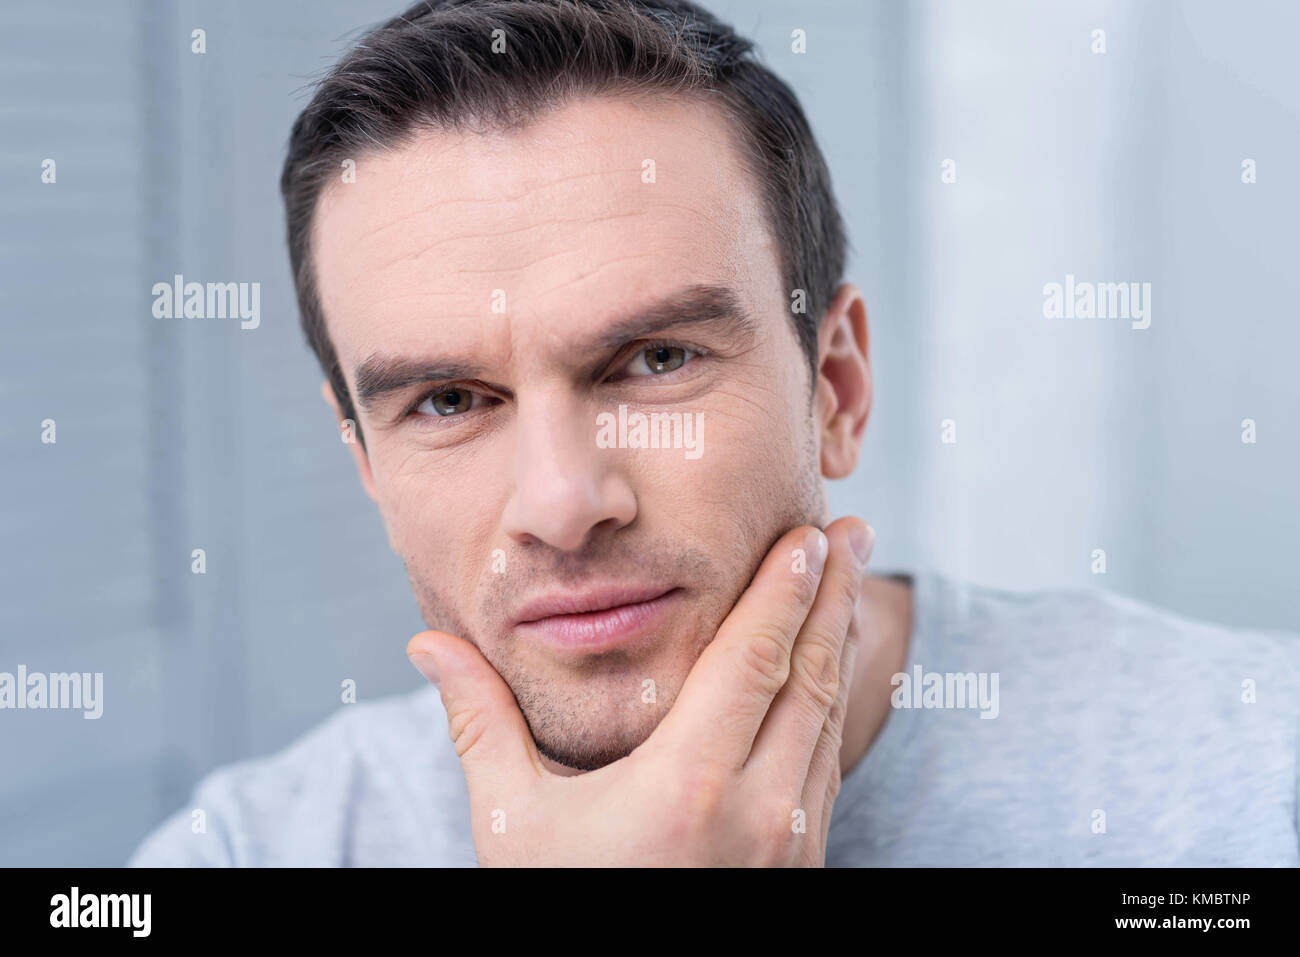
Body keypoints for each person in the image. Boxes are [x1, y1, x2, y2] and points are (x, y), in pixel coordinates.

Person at [129, 0, 1299, 867]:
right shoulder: (242, 850)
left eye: (654, 360)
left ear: (832, 387)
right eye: (447, 401)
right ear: (367, 466)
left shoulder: (1254, 778)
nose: (561, 501)